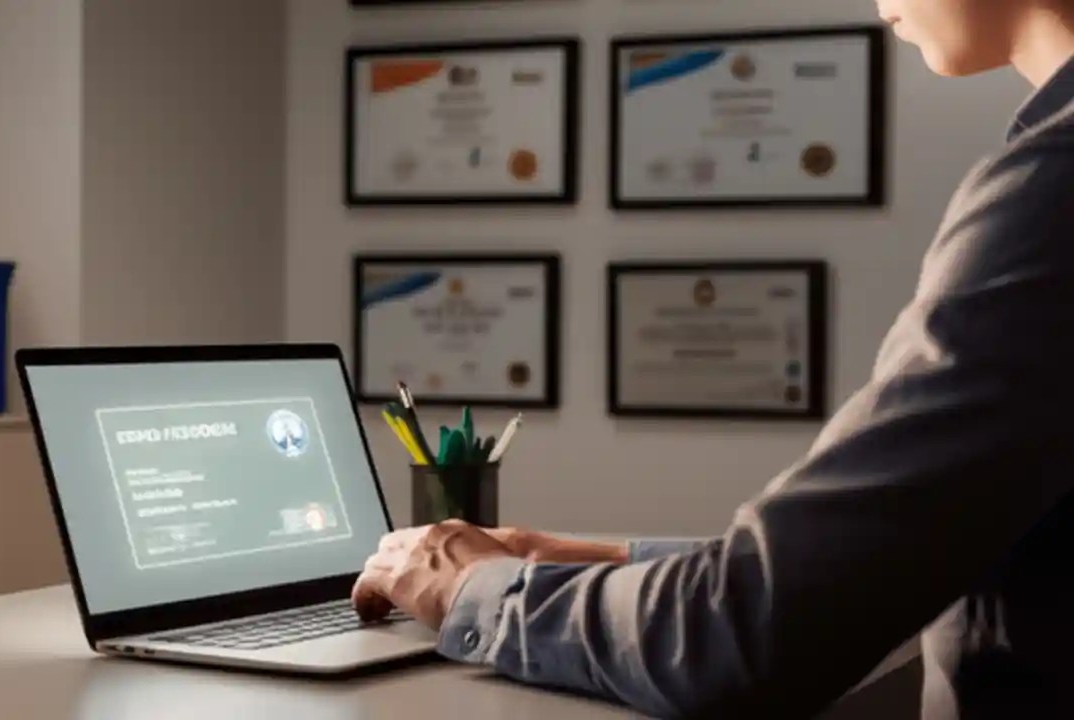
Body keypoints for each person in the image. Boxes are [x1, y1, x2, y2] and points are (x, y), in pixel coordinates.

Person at [351, 2, 1074, 718]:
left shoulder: (1050, 194)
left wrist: (474, 590)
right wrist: (584, 558)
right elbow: (875, 565)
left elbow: (753, 634)